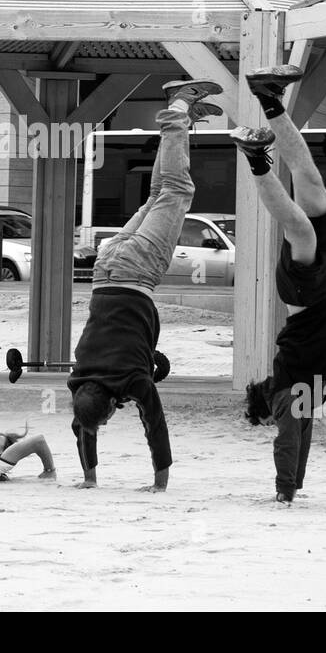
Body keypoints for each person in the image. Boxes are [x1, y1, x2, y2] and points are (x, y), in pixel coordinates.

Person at [66, 79, 222, 492]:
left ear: (109, 409)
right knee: (157, 194)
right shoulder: (79, 380)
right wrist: (89, 478)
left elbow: (156, 426)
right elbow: (82, 424)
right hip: (105, 269)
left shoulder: (133, 380)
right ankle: (183, 127)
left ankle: (177, 109)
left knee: (177, 190)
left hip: (138, 272)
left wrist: (160, 484)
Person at [232, 64, 326, 505]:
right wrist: (298, 483)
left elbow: (289, 441)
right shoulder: (307, 398)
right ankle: (269, 98)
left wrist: (284, 493)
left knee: (301, 230)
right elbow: (305, 441)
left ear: (270, 409)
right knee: (314, 188)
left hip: (308, 295)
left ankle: (256, 158)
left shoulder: (290, 396)